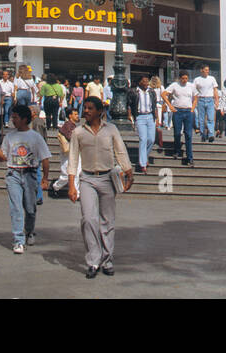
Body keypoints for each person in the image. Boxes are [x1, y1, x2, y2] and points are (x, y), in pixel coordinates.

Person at [68, 95, 133, 278]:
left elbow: (120, 150)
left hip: (107, 179)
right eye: (85, 108)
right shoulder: (78, 132)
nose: (86, 111)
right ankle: (93, 261)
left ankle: (107, 260)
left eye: (90, 108)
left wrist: (129, 173)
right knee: (88, 219)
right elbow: (73, 158)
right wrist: (72, 185)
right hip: (87, 179)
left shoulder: (111, 130)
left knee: (107, 221)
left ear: (100, 112)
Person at [2, 103, 51, 254]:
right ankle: (18, 240)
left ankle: (29, 231)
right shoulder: (9, 137)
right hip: (13, 174)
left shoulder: (35, 137)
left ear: (24, 119)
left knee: (30, 208)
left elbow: (45, 158)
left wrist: (45, 178)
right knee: (15, 207)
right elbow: (3, 156)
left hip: (30, 174)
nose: (13, 120)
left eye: (15, 117)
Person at [164, 71, 197, 165]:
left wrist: (193, 108)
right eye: (183, 78)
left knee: (188, 134)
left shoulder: (191, 86)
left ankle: (189, 156)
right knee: (177, 132)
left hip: (188, 111)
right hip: (178, 111)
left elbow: (196, 97)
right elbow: (164, 94)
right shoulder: (174, 85)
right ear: (179, 78)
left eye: (186, 78)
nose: (184, 80)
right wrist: (170, 106)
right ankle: (177, 150)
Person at [130, 75, 158, 172]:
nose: (146, 83)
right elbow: (129, 104)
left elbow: (154, 105)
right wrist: (131, 117)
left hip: (150, 117)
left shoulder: (151, 92)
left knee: (151, 139)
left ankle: (144, 157)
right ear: (140, 83)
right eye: (144, 81)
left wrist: (157, 118)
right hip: (140, 117)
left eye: (147, 81)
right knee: (143, 139)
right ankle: (142, 164)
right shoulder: (134, 92)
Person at [51, 107, 81, 195]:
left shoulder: (72, 125)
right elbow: (70, 137)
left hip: (74, 152)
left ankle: (76, 192)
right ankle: (56, 186)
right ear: (70, 116)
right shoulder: (68, 125)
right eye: (75, 114)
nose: (77, 116)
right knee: (67, 174)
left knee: (76, 172)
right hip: (68, 153)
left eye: (77, 114)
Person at [194, 64, 220, 143]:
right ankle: (203, 134)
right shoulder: (197, 80)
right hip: (201, 99)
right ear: (201, 70)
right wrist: (194, 101)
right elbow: (193, 91)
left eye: (208, 70)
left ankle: (211, 134)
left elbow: (215, 90)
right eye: (205, 70)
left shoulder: (212, 79)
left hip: (210, 99)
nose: (207, 72)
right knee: (201, 119)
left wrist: (216, 100)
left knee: (211, 118)